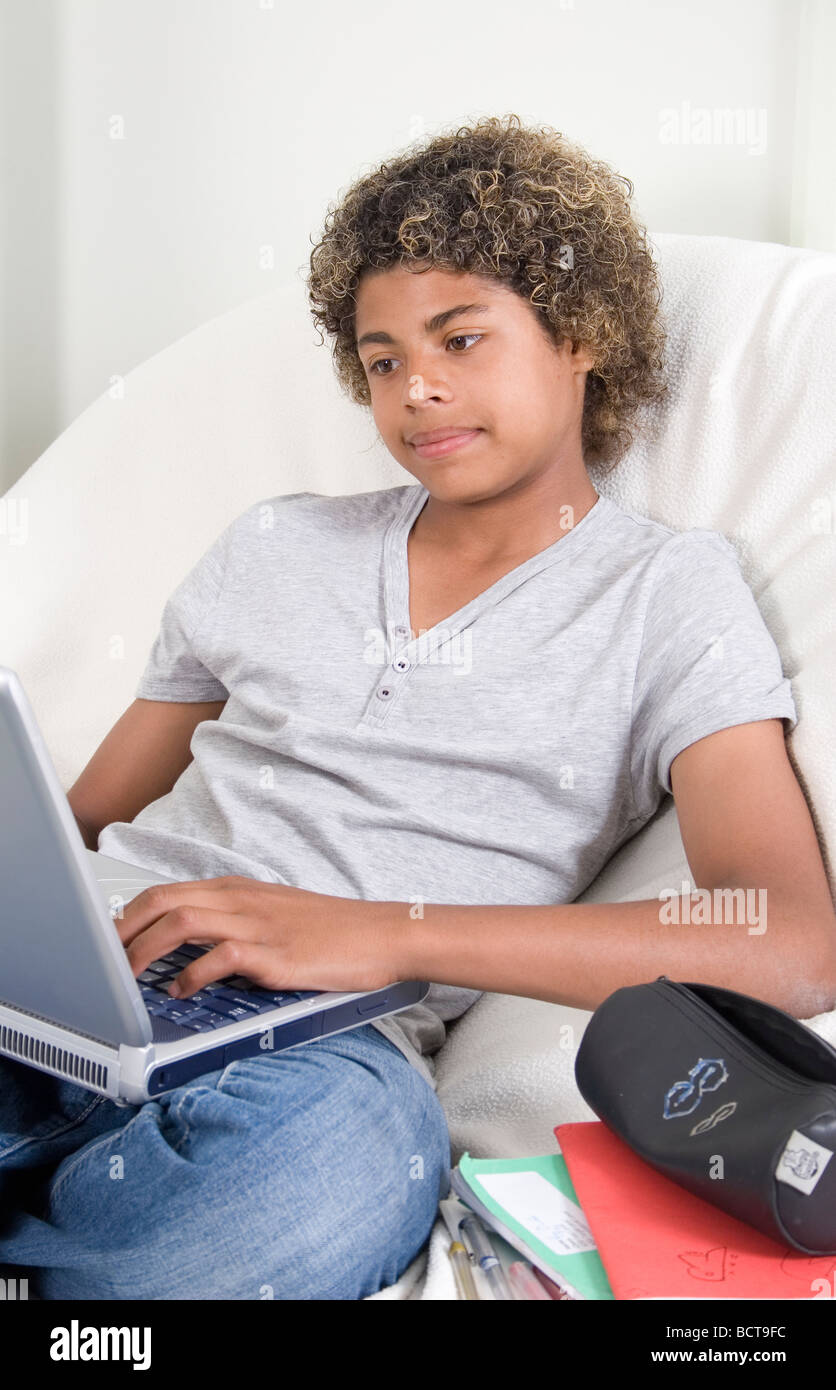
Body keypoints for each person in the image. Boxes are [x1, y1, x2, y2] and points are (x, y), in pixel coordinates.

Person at [3, 113, 835, 1301]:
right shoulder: (275, 544)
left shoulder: (667, 594)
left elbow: (787, 938)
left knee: (337, 1183)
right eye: (382, 357)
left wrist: (378, 931)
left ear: (581, 335)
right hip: (86, 976)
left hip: (309, 1052)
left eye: (458, 338)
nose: (417, 387)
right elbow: (77, 824)